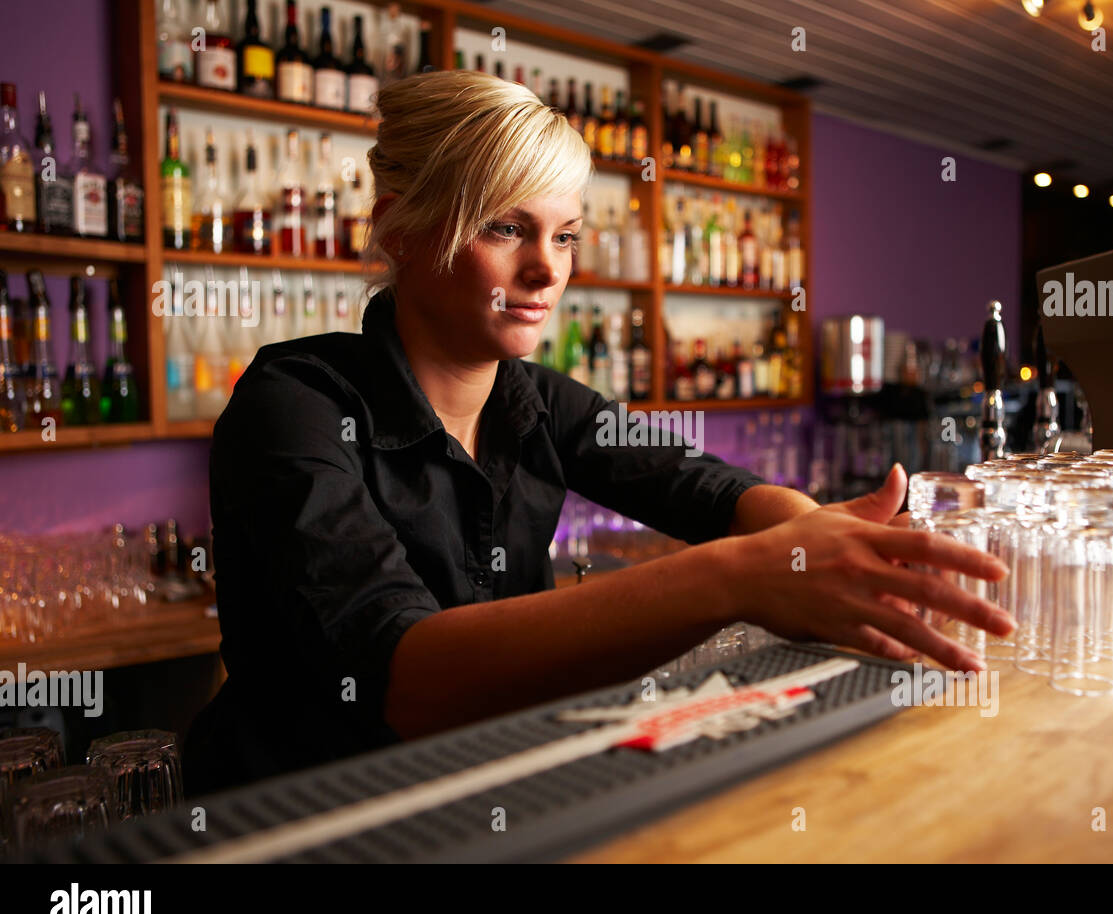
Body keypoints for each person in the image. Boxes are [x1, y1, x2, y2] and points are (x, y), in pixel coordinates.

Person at [182, 71, 1013, 796]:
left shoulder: (536, 402)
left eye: (565, 235)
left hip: (479, 806)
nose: (548, 269)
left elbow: (709, 490)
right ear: (400, 228)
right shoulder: (292, 406)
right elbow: (410, 677)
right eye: (506, 228)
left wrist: (824, 539)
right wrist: (743, 576)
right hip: (295, 827)